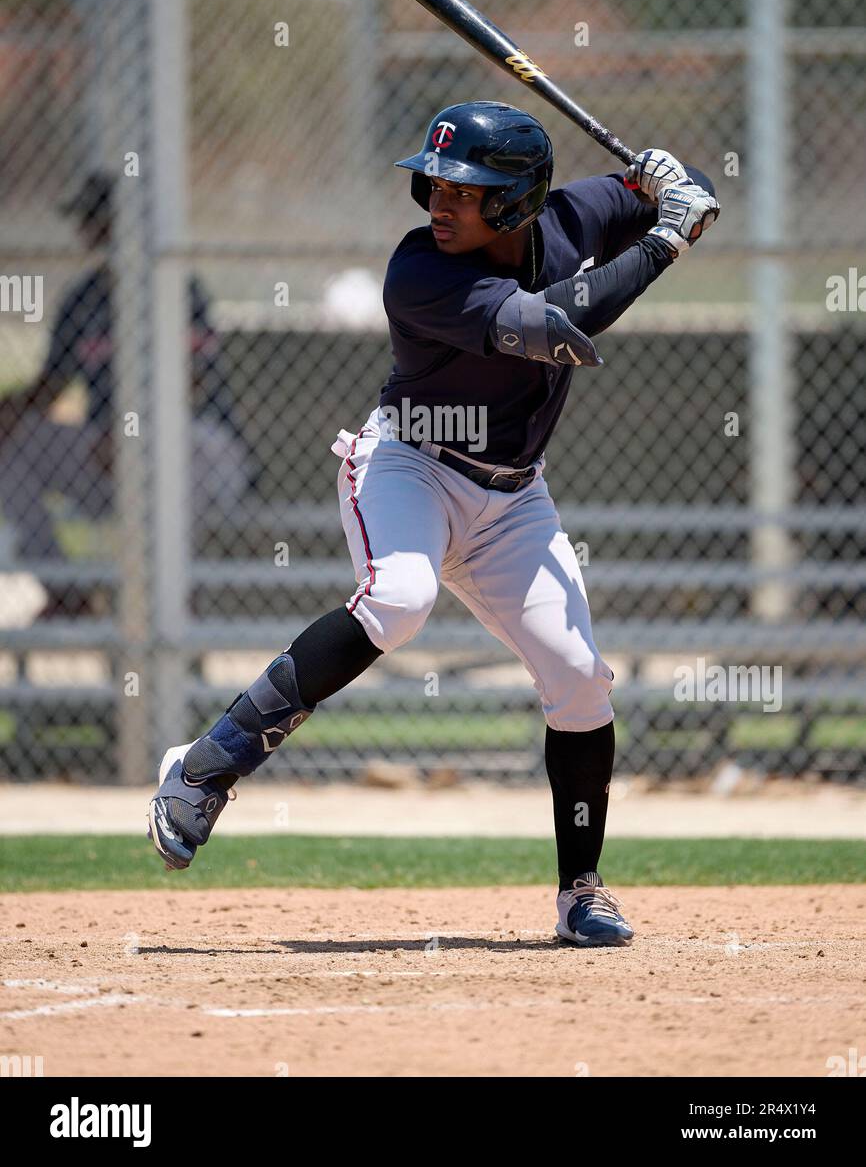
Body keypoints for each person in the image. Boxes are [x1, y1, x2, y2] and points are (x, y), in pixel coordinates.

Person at [147, 102, 718, 947]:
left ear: (518, 201)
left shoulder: (574, 216)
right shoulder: (420, 273)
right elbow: (560, 326)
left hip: (514, 496)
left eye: (467, 190)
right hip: (408, 465)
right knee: (402, 597)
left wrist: (672, 179)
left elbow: (678, 189)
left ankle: (582, 890)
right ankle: (205, 768)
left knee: (580, 680)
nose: (441, 204)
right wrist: (668, 238)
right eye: (436, 184)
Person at [0, 172, 253, 617]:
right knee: (13, 445)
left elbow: (192, 384)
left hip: (191, 450)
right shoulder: (84, 298)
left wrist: (135, 433)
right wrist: (10, 411)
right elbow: (52, 386)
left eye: (96, 221)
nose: (87, 232)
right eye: (86, 223)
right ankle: (66, 593)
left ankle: (174, 602)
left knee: (192, 448)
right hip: (110, 458)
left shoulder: (176, 286)